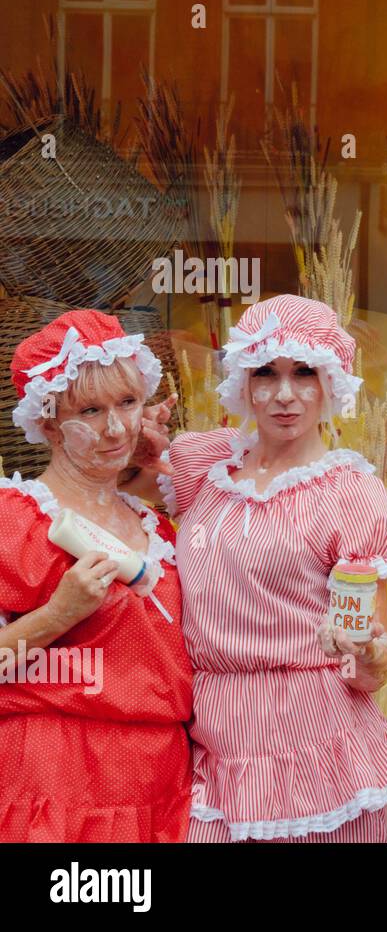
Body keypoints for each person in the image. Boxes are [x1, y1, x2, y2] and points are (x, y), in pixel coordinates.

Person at [138, 294, 387, 842]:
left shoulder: (351, 493)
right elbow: (106, 496)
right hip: (213, 737)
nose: (285, 394)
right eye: (266, 373)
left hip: (315, 742)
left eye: (304, 373)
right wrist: (132, 429)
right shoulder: (204, 467)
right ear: (243, 382)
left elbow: (366, 669)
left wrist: (370, 652)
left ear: (331, 382)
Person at [0, 310, 191, 840]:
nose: (117, 427)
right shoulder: (12, 519)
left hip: (160, 782)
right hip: (52, 781)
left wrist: (166, 468)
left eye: (128, 403)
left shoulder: (158, 526)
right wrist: (57, 614)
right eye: (90, 409)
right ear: (47, 422)